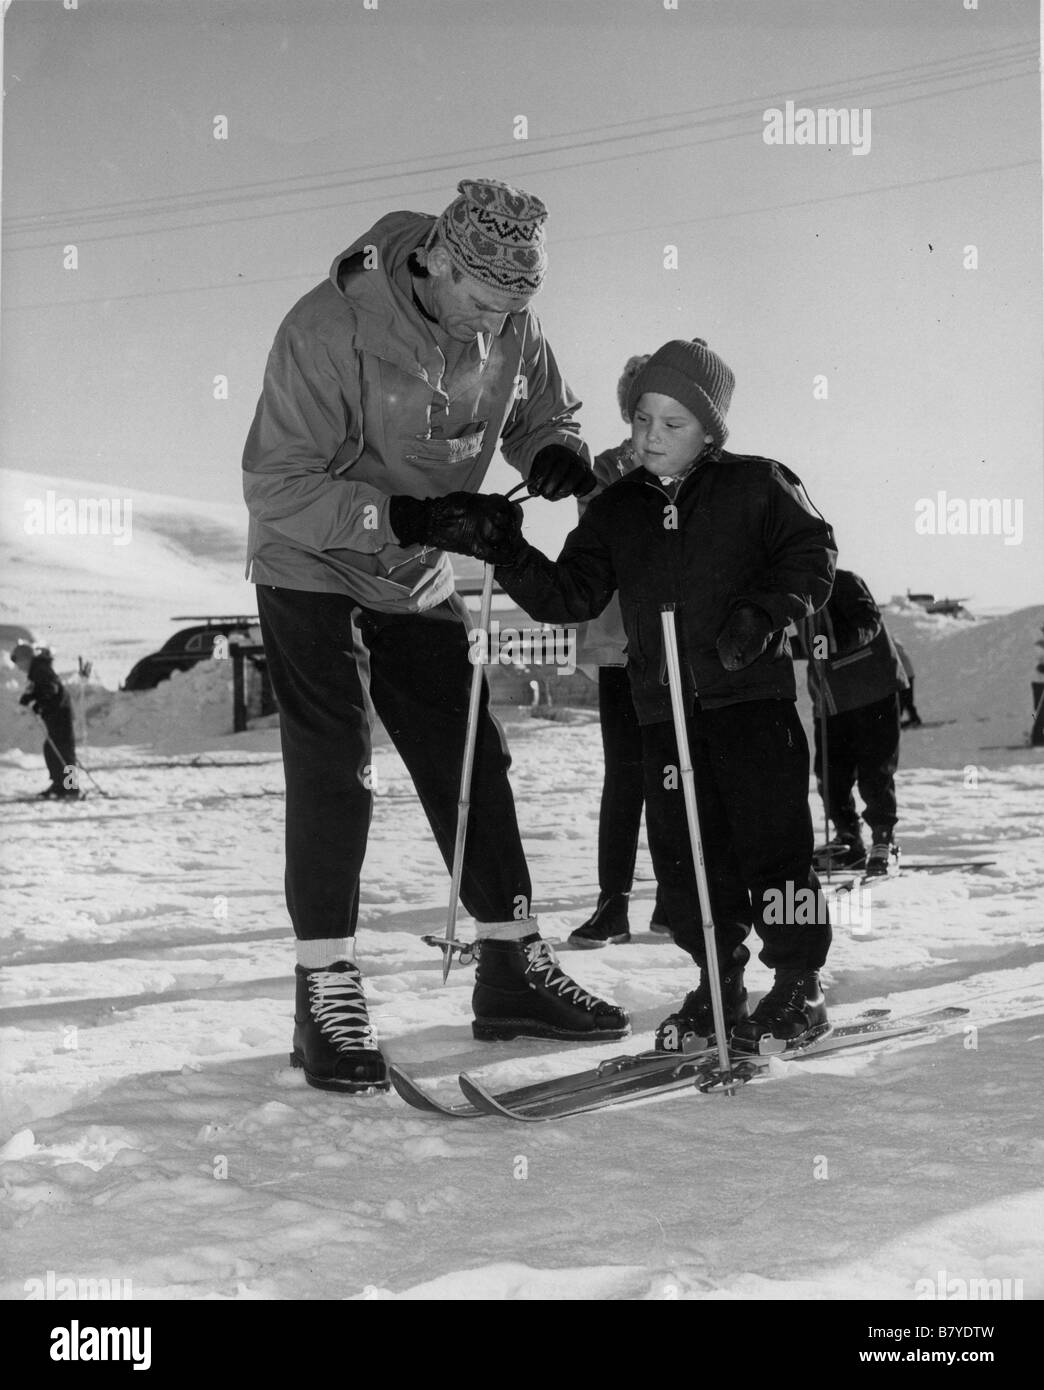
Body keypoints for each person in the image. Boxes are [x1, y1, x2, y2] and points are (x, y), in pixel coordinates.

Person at [242, 177, 629, 1096]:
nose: (487, 327)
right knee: (339, 766)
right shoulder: (324, 331)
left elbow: (542, 408)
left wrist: (549, 452)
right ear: (438, 263)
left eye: (509, 312)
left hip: (411, 569)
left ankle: (508, 967)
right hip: (311, 557)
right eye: (480, 304)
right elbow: (278, 487)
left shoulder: (508, 321)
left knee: (469, 754)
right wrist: (411, 514)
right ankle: (324, 986)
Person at [490, 338, 838, 1053]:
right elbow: (570, 594)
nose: (650, 436)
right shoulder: (618, 509)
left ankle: (798, 984)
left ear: (710, 429)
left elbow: (813, 553)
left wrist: (763, 613)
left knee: (776, 852)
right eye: (643, 418)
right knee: (686, 859)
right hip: (664, 711)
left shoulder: (758, 484)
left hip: (752, 706)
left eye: (673, 423)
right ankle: (718, 981)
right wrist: (508, 550)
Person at [570, 354, 672, 947]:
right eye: (640, 409)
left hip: (675, 650)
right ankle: (614, 904)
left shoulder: (694, 465)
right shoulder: (608, 470)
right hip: (619, 648)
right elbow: (601, 537)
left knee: (675, 774)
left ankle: (673, 898)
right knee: (624, 777)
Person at [797, 570, 907, 877]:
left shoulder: (843, 582)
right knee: (830, 776)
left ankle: (884, 837)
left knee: (875, 772)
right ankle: (849, 839)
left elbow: (868, 623)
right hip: (831, 701)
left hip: (871, 691)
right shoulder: (796, 594)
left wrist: (829, 644)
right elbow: (811, 644)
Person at [11, 643, 80, 799]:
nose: (18, 667)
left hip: (61, 715)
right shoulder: (36, 670)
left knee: (63, 751)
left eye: (19, 663)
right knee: (52, 749)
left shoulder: (40, 670)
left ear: (26, 659)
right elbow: (34, 690)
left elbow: (50, 690)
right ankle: (59, 785)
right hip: (54, 715)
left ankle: (70, 787)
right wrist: (26, 701)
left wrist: (39, 705)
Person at [894, 640, 923, 727]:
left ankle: (911, 719)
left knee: (902, 699)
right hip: (907, 674)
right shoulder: (895, 644)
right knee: (905, 699)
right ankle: (912, 718)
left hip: (904, 674)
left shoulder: (891, 645)